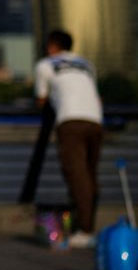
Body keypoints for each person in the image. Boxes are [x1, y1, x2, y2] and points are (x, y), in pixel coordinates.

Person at [34, 29, 104, 249]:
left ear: (52, 46)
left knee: (77, 176)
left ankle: (84, 231)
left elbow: (41, 99)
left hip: (69, 120)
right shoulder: (87, 64)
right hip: (95, 120)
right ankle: (86, 226)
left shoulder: (45, 65)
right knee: (91, 175)